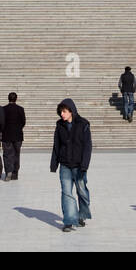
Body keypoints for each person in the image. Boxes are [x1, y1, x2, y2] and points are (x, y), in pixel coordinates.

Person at [50, 98, 92, 231]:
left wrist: (84, 165)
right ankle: (69, 220)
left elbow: (87, 146)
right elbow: (56, 145)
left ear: (71, 111)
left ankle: (82, 215)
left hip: (79, 165)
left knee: (82, 191)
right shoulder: (59, 125)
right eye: (60, 112)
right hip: (65, 165)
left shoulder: (83, 124)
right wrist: (54, 163)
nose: (61, 114)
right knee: (66, 192)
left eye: (64, 111)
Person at [2, 92, 27, 180]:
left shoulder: (3, 109)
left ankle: (8, 171)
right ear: (16, 99)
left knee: (7, 154)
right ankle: (15, 173)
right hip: (17, 135)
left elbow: (1, 122)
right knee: (16, 154)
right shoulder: (20, 109)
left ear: (8, 98)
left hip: (6, 135)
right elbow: (23, 121)